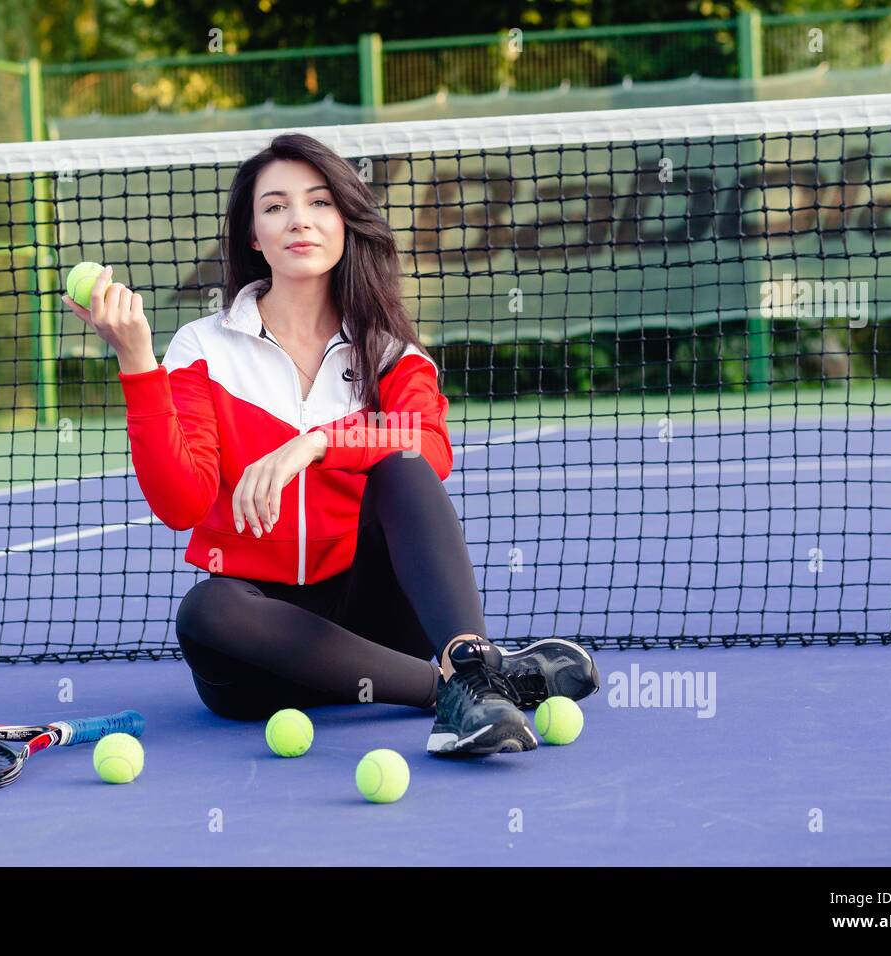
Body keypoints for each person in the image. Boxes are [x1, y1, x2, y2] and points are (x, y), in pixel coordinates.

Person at [64, 133, 599, 756]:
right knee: (205, 610)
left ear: (345, 221)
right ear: (252, 236)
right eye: (275, 207)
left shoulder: (390, 350)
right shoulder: (201, 347)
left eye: (319, 202)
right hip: (258, 651)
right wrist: (136, 360)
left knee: (401, 462)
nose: (299, 220)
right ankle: (461, 685)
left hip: (373, 622)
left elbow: (429, 445)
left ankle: (468, 666)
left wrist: (316, 443)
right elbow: (181, 505)